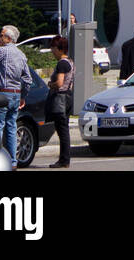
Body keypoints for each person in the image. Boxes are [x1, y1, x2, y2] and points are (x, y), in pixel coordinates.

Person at [0, 25, 32, 169]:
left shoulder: (2, 51)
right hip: (16, 93)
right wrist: (23, 95)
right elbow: (28, 79)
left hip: (2, 92)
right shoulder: (21, 54)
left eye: (1, 35)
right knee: (12, 126)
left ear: (8, 38)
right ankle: (13, 161)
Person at [45, 36, 74, 168]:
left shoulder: (62, 63)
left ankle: (64, 159)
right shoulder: (70, 61)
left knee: (62, 130)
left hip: (60, 98)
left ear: (59, 48)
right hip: (68, 97)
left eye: (53, 48)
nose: (52, 51)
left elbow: (60, 83)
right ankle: (65, 159)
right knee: (64, 129)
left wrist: (51, 84)